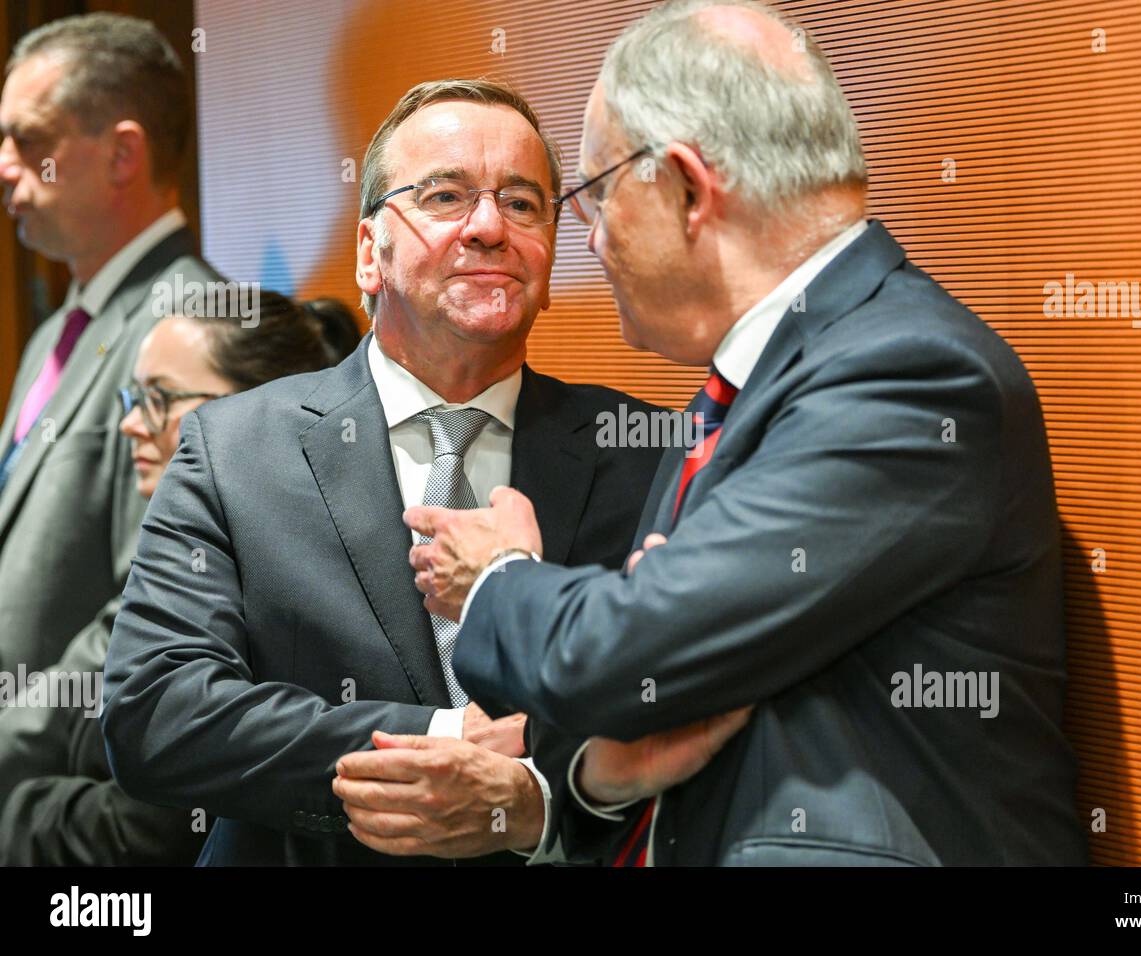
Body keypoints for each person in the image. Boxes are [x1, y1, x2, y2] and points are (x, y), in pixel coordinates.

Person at [395, 0, 1089, 866]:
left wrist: (496, 578)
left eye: (596, 198)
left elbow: (631, 651)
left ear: (686, 187)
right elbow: (659, 691)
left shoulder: (907, 373)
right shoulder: (745, 388)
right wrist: (597, 773)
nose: (592, 240)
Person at [101, 79, 665, 865]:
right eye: (445, 196)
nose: (489, 228)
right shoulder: (233, 450)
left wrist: (537, 802)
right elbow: (154, 714)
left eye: (524, 204)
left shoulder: (646, 450)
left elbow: (687, 705)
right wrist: (438, 741)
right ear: (371, 252)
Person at [0, 292, 360, 865]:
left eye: (157, 399)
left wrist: (27, 809)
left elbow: (154, 832)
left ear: (251, 407)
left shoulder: (275, 589)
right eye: (133, 396)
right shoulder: (189, 556)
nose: (130, 424)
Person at [0, 13, 219, 675]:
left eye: (28, 140)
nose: (6, 167)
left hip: (72, 769)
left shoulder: (199, 326)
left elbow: (150, 607)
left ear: (123, 154)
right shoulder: (50, 337)